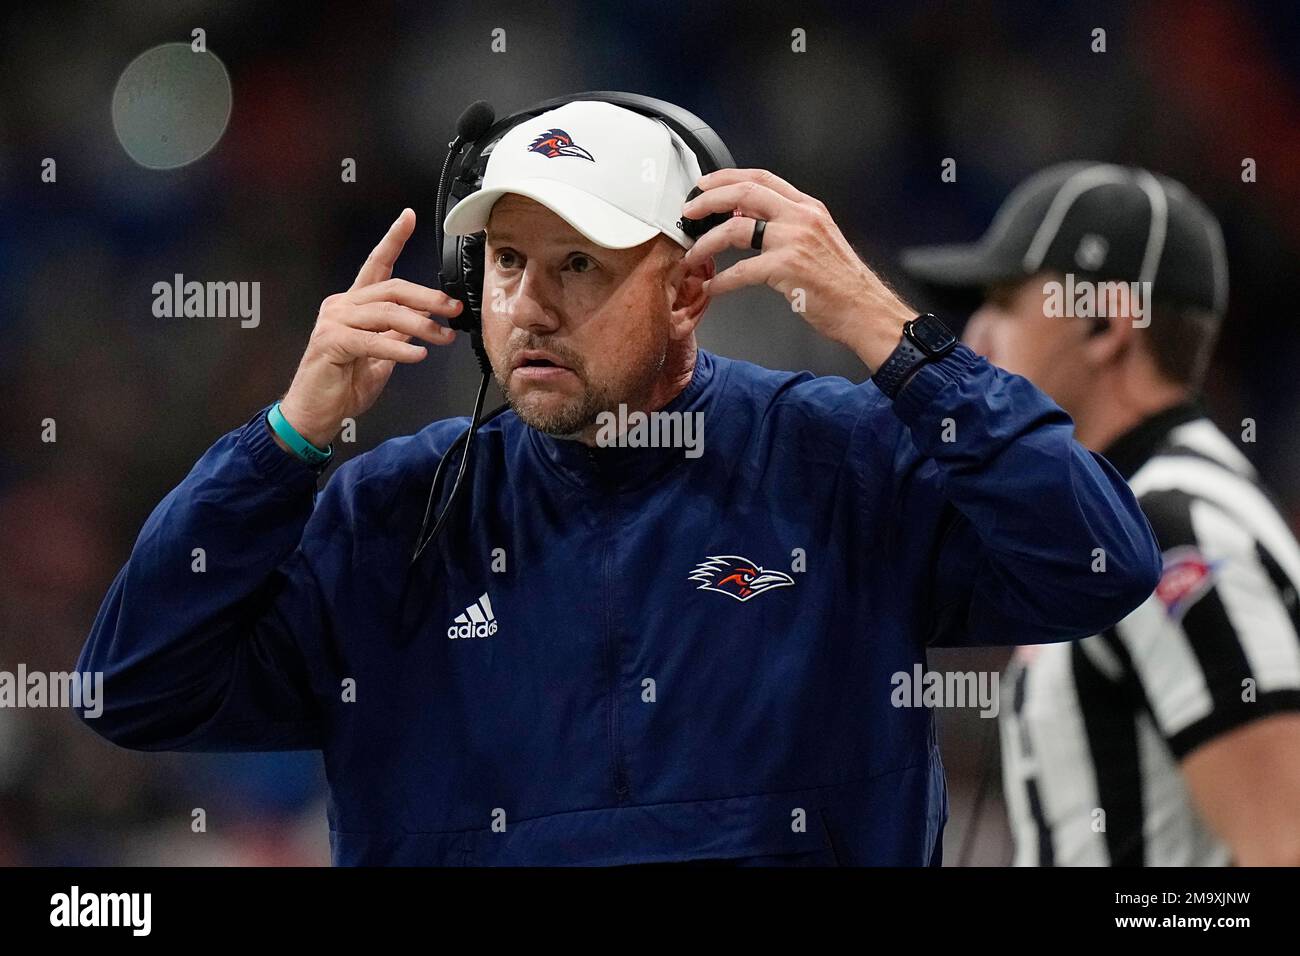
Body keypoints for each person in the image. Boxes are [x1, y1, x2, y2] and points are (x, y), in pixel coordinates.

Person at [75, 101, 1160, 866]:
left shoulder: (839, 459)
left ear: (688, 289)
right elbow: (131, 689)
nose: (529, 306)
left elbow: (1099, 563)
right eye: (506, 263)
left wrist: (899, 343)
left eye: (579, 263)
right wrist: (282, 443)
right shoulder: (389, 512)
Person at [902, 161, 1300, 866]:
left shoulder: (1181, 529)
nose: (977, 336)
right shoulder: (1130, 518)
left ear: (1104, 324)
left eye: (1004, 299)